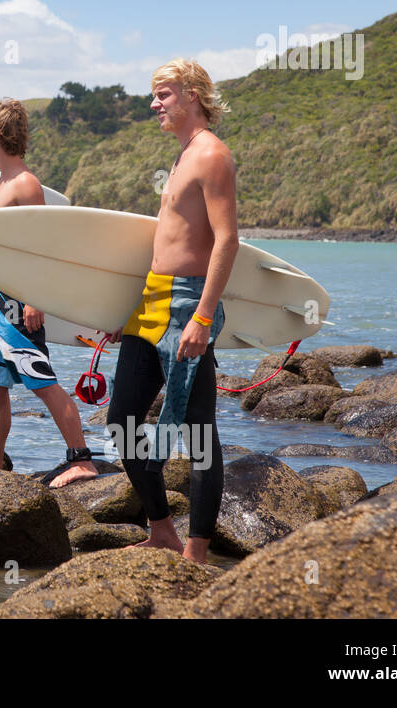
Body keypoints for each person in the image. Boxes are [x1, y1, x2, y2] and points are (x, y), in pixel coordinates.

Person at [104, 58, 237, 563]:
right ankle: (162, 528)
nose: (154, 104)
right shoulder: (183, 155)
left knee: (199, 430)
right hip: (152, 301)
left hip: (186, 304)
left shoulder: (211, 156)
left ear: (193, 95)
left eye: (163, 94)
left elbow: (227, 240)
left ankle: (197, 549)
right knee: (121, 420)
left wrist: (202, 318)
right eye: (153, 95)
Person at [0, 99, 99, 487]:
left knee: (40, 380)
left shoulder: (26, 184)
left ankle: (81, 459)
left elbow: (43, 246)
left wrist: (34, 298)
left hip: (16, 301)